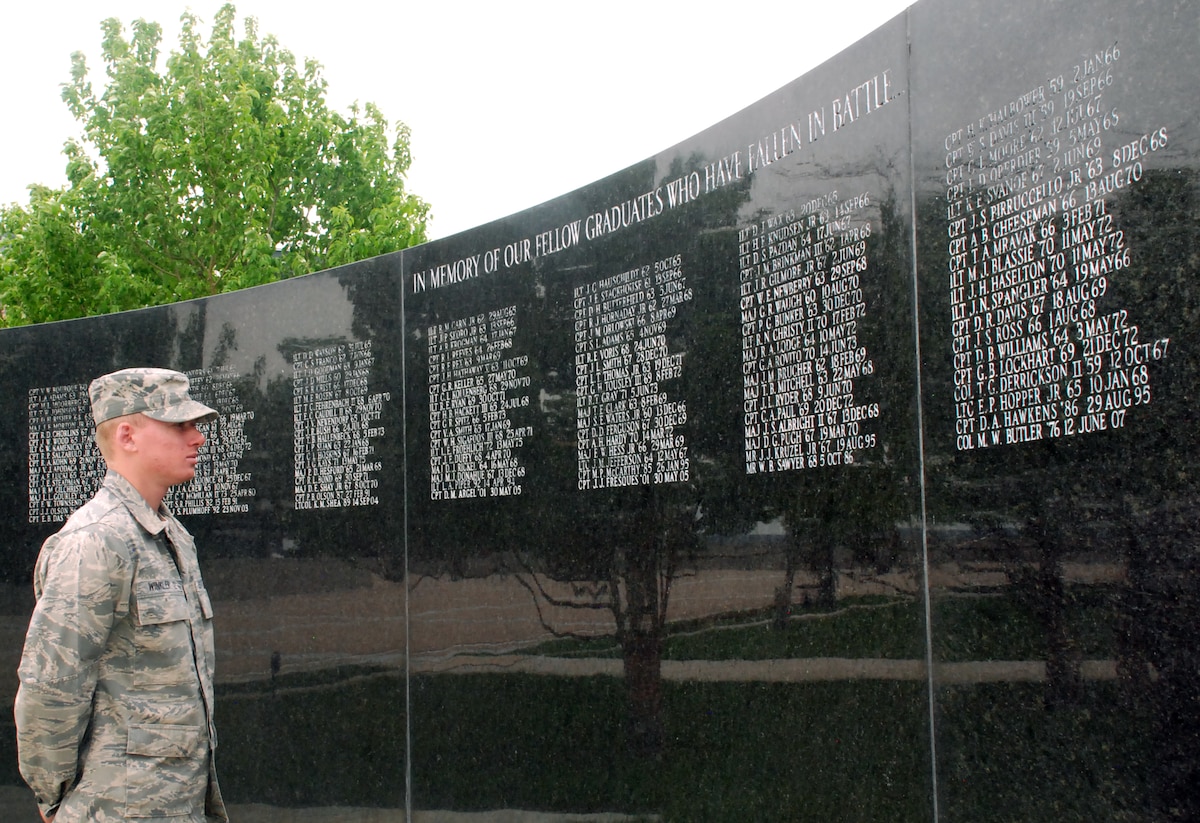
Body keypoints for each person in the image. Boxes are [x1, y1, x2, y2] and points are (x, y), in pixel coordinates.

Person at [15, 368, 228, 822]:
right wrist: (52, 798)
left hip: (178, 805)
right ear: (127, 435)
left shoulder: (173, 537)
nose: (198, 439)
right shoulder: (95, 541)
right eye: (179, 425)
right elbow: (51, 686)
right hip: (115, 808)